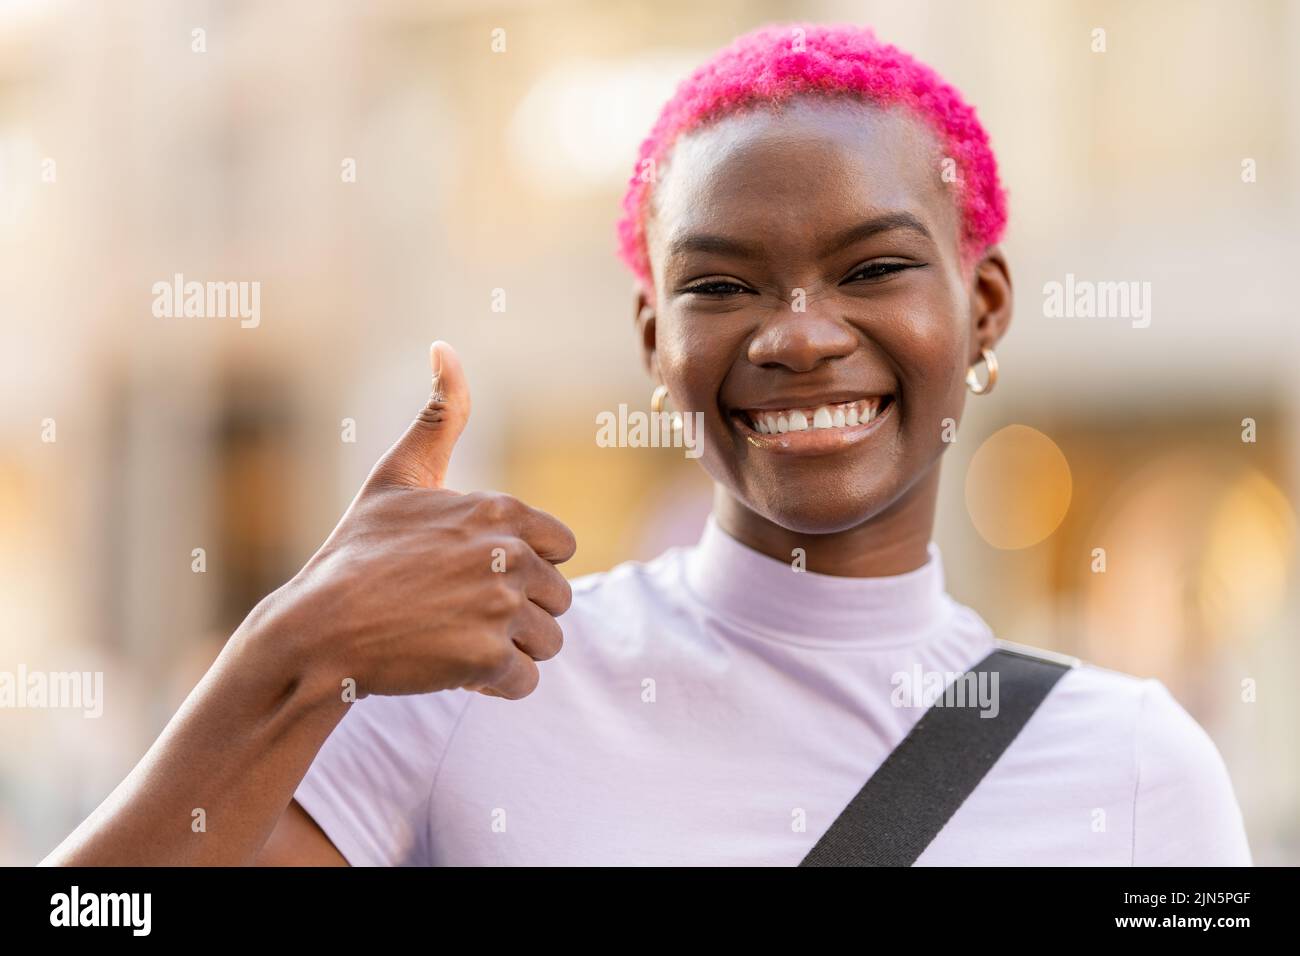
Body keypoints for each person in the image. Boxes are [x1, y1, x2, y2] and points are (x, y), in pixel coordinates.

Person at [43, 22, 1250, 866]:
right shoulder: (472, 689)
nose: (799, 334)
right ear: (653, 340)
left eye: (872, 267)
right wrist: (291, 645)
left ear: (981, 309)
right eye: (720, 285)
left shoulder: (1134, 767)